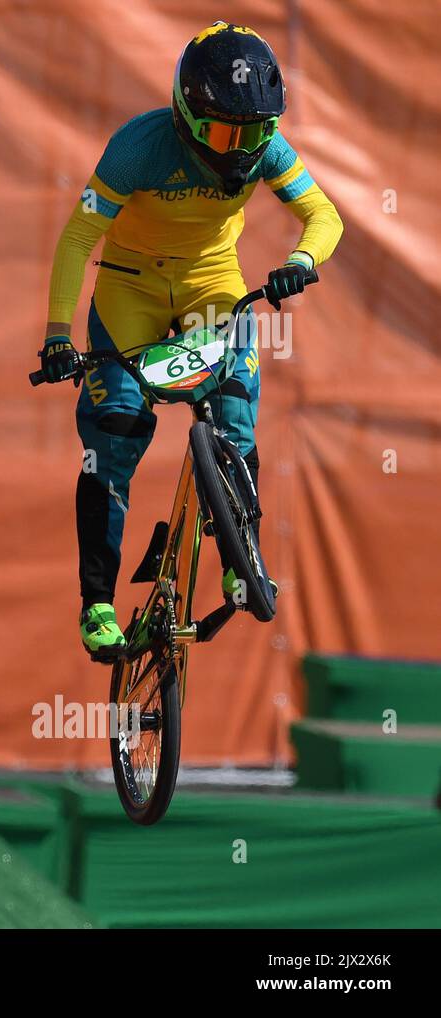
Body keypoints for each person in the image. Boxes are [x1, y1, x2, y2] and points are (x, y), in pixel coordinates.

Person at [37, 21, 342, 659]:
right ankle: (97, 603)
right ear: (187, 114)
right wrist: (58, 336)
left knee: (235, 410)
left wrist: (303, 260)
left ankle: (239, 554)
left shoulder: (269, 148)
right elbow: (76, 239)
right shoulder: (137, 146)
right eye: (229, 133)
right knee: (114, 433)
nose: (243, 150)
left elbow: (323, 216)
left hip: (211, 284)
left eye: (257, 132)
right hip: (129, 289)